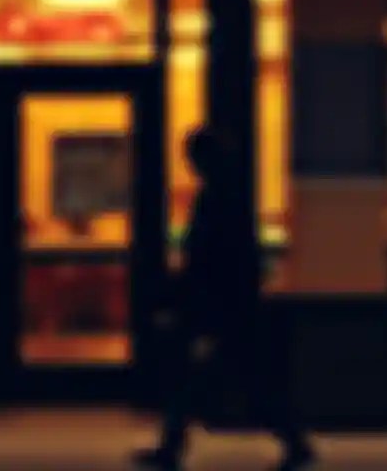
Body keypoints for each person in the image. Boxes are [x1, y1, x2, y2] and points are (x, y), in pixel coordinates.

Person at [134, 128, 316, 471]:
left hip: (220, 307)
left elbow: (210, 257)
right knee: (235, 377)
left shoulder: (216, 199)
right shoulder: (228, 196)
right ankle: (292, 439)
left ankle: (174, 446)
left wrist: (184, 296)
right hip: (229, 305)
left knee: (208, 376)